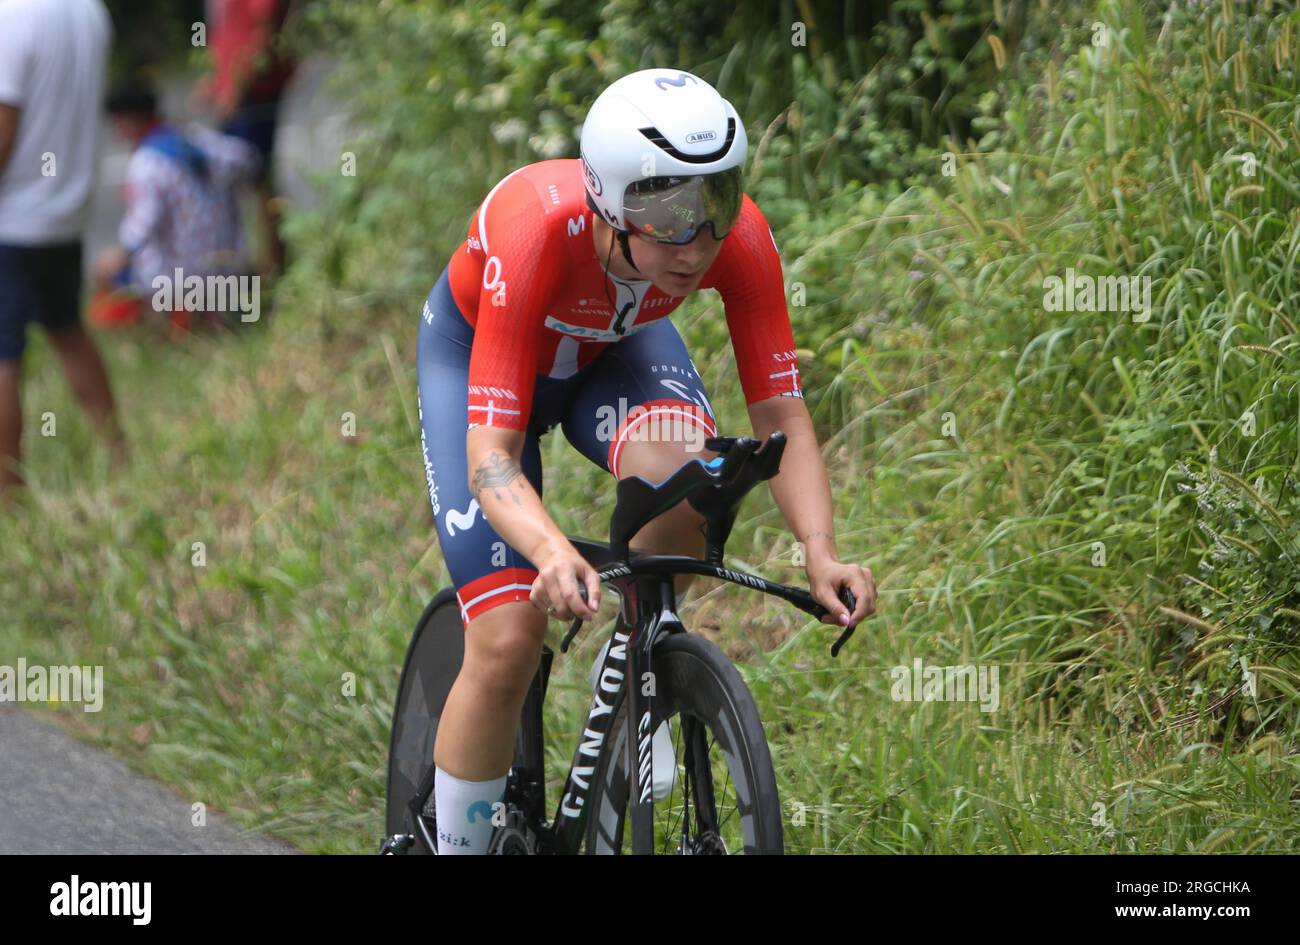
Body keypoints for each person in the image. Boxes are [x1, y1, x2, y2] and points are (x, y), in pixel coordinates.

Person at [415, 68, 877, 854]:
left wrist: (820, 549)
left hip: (613, 352)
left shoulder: (736, 240)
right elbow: (491, 459)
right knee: (505, 638)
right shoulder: (537, 233)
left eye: (717, 201)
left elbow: (780, 413)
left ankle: (642, 687)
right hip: (483, 356)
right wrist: (550, 549)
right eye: (669, 211)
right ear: (608, 201)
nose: (698, 243)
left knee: (696, 479)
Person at [0, 0, 123, 491]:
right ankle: (120, 458)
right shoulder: (89, 10)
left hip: (12, 219)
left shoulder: (12, 16)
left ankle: (8, 499)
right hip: (66, 211)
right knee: (67, 326)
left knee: (4, 357)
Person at [90, 83, 261, 333]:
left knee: (103, 278)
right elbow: (248, 160)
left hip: (178, 279)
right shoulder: (199, 139)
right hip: (230, 266)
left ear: (128, 121)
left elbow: (142, 227)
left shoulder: (146, 163)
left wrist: (116, 258)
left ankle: (160, 331)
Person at [197, 0, 297, 276]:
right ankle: (242, 265)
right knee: (232, 178)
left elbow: (264, 31)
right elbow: (225, 25)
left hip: (255, 92)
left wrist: (236, 88)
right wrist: (214, 76)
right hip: (237, 90)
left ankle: (276, 264)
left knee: (258, 177)